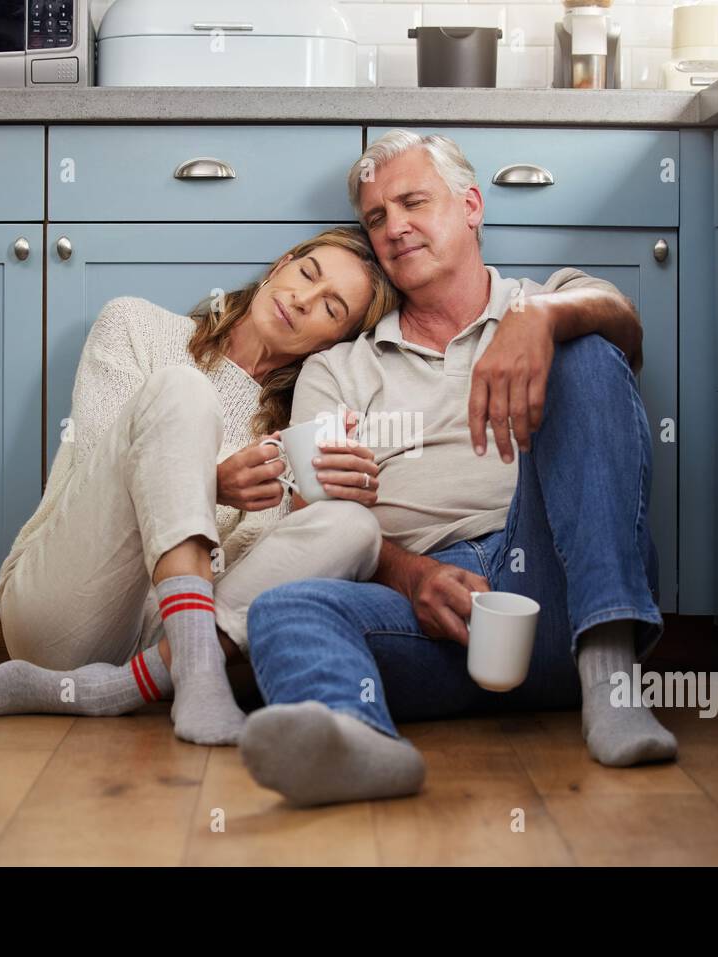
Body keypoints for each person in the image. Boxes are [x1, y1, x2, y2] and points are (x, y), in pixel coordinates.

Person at [238, 130, 677, 805]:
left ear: (471, 204)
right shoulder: (337, 368)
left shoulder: (543, 301)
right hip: (431, 613)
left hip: (557, 589)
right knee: (280, 609)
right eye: (377, 217)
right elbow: (316, 518)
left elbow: (626, 324)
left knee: (590, 351)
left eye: (413, 201)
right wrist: (410, 575)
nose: (394, 227)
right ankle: (359, 741)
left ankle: (611, 676)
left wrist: (539, 316)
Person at [0, 227, 399, 745]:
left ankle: (119, 688)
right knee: (183, 390)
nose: (303, 301)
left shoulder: (293, 432)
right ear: (282, 264)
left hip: (172, 637)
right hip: (64, 604)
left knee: (354, 527)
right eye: (307, 274)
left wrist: (303, 500)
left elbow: (242, 576)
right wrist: (214, 484)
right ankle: (191, 677)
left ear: (333, 343)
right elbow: (100, 464)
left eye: (331, 310)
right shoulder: (136, 324)